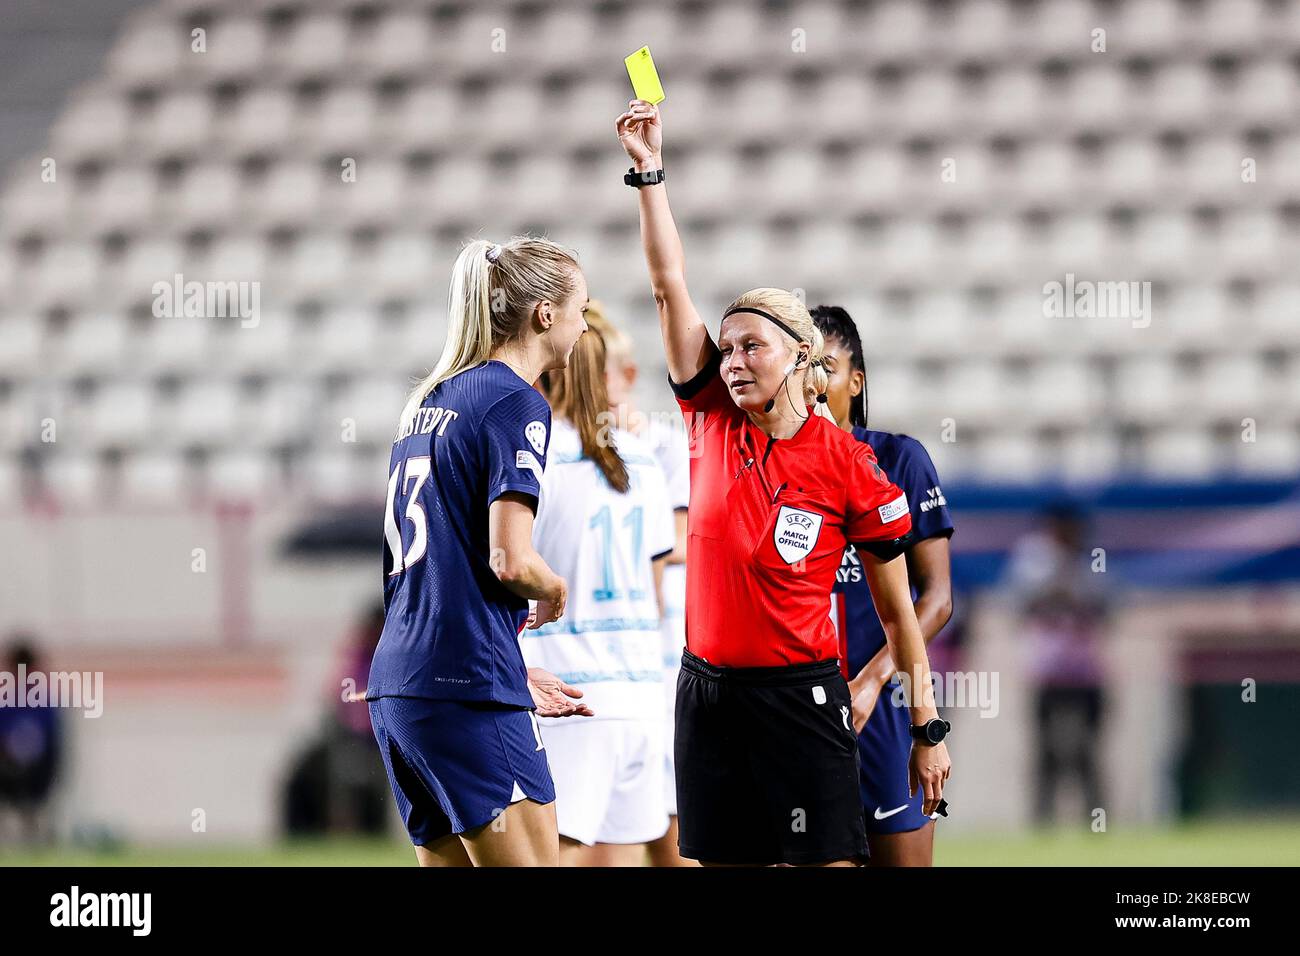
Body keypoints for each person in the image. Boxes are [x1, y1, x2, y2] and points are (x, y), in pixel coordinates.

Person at [616, 99, 951, 866]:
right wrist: (648, 175)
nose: (730, 360)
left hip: (804, 700)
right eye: (724, 347)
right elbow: (670, 285)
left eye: (750, 346)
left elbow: (903, 616)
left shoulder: (850, 464)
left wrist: (927, 725)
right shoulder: (708, 418)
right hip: (707, 698)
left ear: (802, 356)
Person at [365, 237, 593, 867]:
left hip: (402, 689)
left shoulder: (428, 404)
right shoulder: (516, 401)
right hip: (467, 688)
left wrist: (512, 668)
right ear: (545, 314)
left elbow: (435, 572)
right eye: (581, 307)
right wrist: (554, 588)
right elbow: (510, 560)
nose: (583, 324)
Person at [520, 307, 676, 865]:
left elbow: (510, 568)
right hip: (639, 695)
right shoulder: (643, 461)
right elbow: (657, 597)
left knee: (547, 858)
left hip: (568, 694)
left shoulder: (533, 460)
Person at [812, 305, 956, 867]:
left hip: (888, 707)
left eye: (827, 365)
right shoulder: (770, 467)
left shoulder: (899, 459)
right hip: (801, 708)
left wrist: (870, 682)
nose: (816, 382)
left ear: (856, 379)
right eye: (804, 365)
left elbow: (938, 600)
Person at [598, 306, 695, 867]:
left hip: (663, 652)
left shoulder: (659, 443)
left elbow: (684, 538)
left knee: (671, 816)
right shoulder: (566, 447)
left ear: (626, 376)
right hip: (608, 650)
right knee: (609, 821)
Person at [1005, 503, 1109, 826]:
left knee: (1087, 753)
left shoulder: (1092, 560)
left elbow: (1108, 607)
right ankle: (1042, 822)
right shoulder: (1033, 560)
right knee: (1046, 752)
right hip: (1047, 670)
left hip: (1086, 671)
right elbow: (1019, 606)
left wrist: (1074, 591)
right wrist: (1055, 587)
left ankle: (1096, 821)